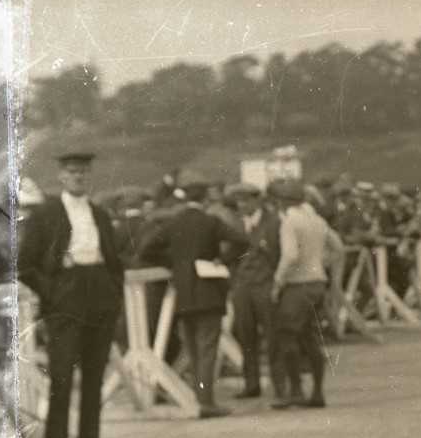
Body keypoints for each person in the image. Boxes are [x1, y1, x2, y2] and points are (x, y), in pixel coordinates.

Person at [17, 147, 123, 438]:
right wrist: (54, 290)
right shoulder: (46, 214)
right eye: (72, 172)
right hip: (65, 299)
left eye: (83, 172)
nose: (78, 177)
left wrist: (112, 290)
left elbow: (115, 258)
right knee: (61, 380)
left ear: (89, 177)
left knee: (94, 379)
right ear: (61, 177)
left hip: (99, 297)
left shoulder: (100, 214)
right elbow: (24, 265)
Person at [137, 173, 246, 419]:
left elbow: (146, 249)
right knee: (208, 347)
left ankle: (200, 398)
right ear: (205, 197)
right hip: (209, 289)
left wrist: (175, 264)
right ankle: (206, 401)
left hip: (183, 293)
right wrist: (223, 260)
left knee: (194, 348)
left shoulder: (173, 222)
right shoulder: (210, 221)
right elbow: (242, 241)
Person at [268, 178, 342, 409]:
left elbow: (290, 255)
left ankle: (296, 389)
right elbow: (338, 247)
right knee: (311, 337)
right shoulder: (317, 220)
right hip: (317, 282)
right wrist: (320, 262)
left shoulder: (290, 220)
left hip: (297, 285)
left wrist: (278, 281)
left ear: (281, 201)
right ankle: (318, 392)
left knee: (286, 335)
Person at [221, 183, 282, 401]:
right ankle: (251, 383)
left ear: (257, 200)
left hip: (265, 285)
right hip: (243, 288)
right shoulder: (236, 223)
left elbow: (278, 255)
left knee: (273, 336)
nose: (242, 204)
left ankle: (279, 383)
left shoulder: (273, 222)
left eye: (246, 200)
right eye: (239, 200)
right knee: (246, 336)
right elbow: (229, 255)